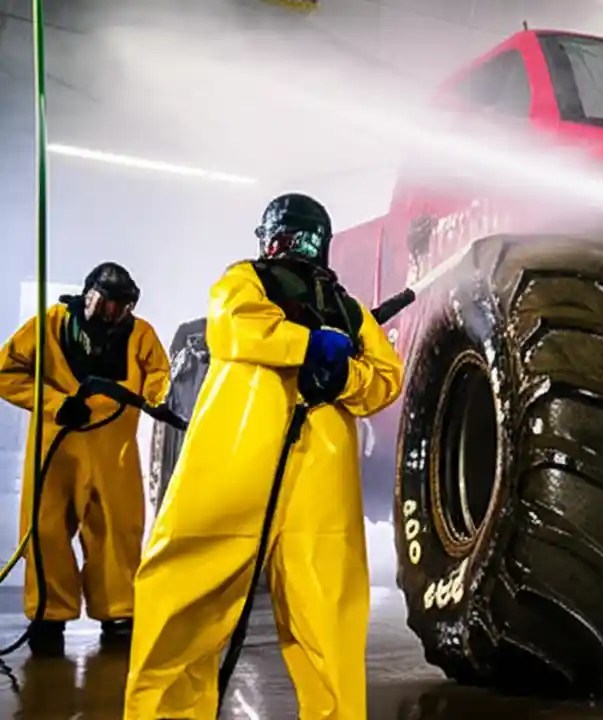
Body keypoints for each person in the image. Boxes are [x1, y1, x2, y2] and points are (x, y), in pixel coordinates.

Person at [124, 193, 404, 719]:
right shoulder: (247, 281)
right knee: (186, 603)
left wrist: (345, 374)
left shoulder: (347, 308)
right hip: (236, 468)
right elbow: (236, 326)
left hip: (307, 485)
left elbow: (385, 379)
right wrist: (310, 346)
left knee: (327, 623)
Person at [0, 263, 170, 657]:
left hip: (116, 452)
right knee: (45, 531)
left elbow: (159, 376)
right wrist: (56, 404)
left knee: (118, 530)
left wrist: (160, 402)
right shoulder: (49, 326)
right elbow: (7, 371)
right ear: (88, 294)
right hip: (56, 448)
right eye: (105, 304)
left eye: (120, 307)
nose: (111, 314)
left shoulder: (140, 333)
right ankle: (49, 613)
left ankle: (118, 612)